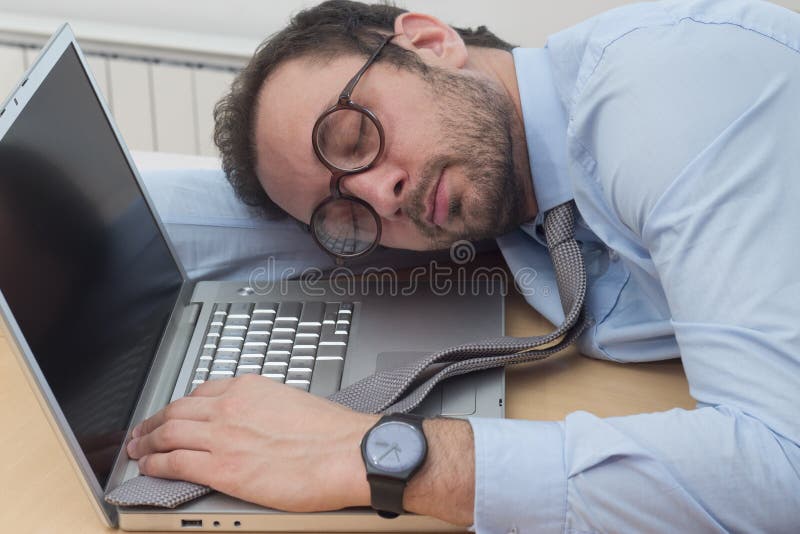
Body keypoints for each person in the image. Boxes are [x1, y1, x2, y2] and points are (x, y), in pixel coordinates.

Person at [125, 0, 800, 531]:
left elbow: (783, 472)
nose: (378, 195)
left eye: (355, 137)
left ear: (427, 41)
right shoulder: (502, 191)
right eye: (344, 214)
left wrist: (377, 456)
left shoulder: (657, 97)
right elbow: (201, 217)